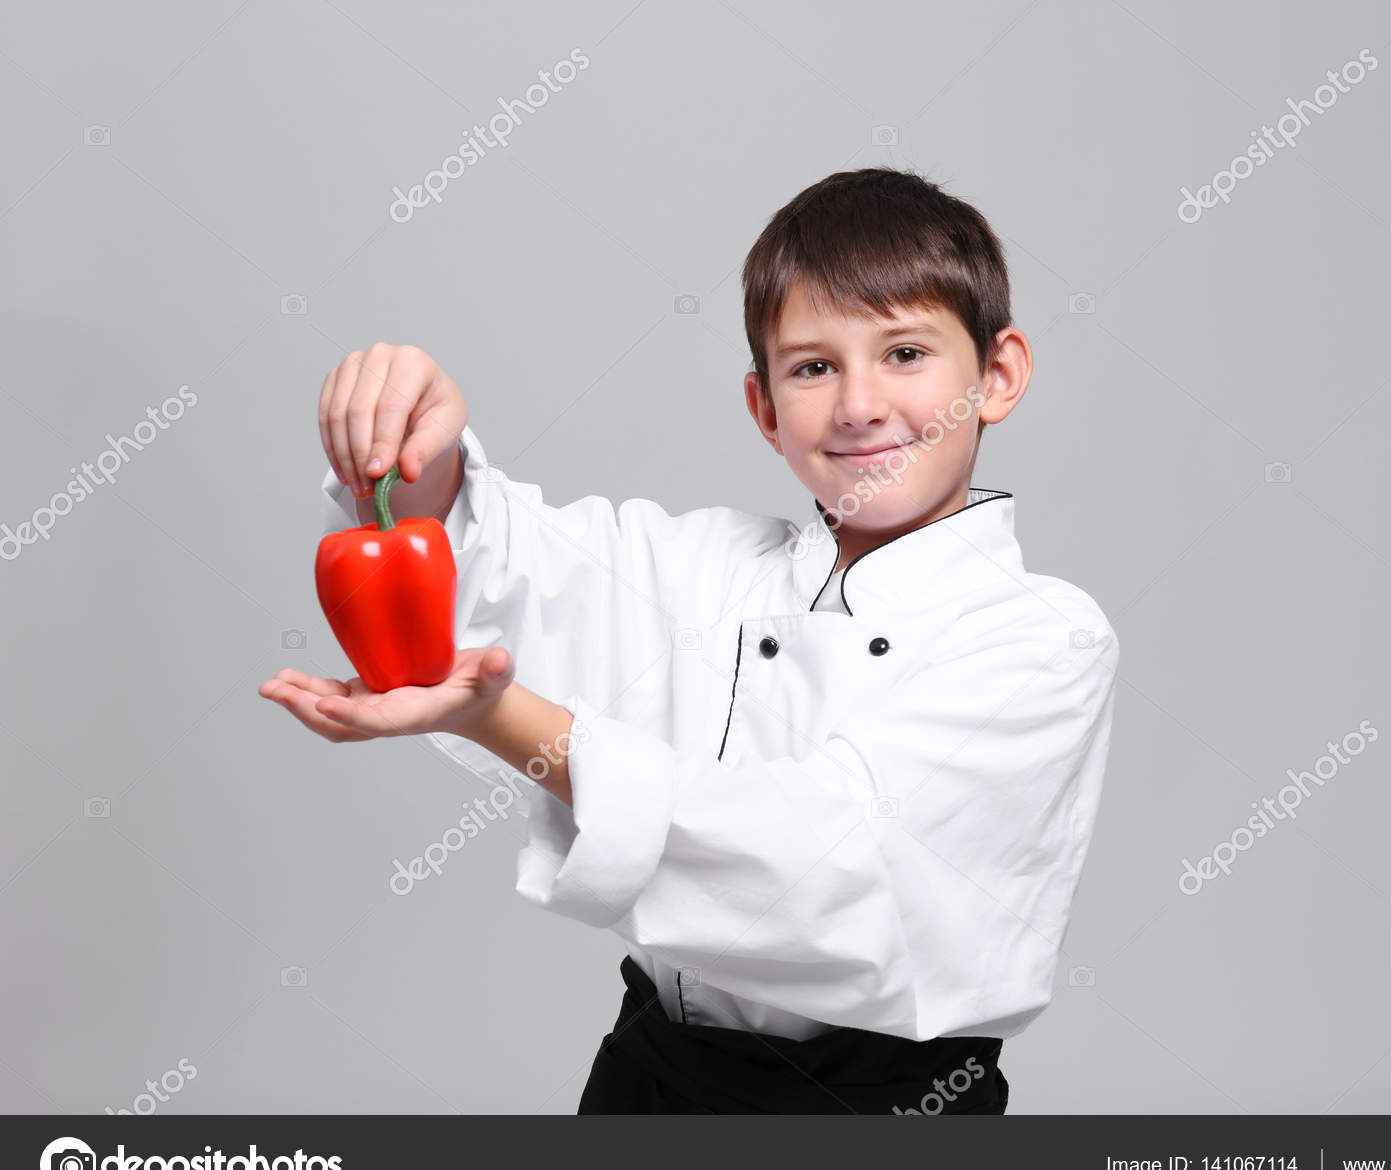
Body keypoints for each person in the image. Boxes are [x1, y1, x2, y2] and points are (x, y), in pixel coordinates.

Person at [260, 167, 1120, 1114]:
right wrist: (415, 449)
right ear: (763, 408)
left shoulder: (1045, 637)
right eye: (812, 366)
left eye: (906, 353)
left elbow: (831, 860)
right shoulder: (705, 563)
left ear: (996, 376)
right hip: (650, 1079)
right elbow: (514, 568)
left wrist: (503, 719)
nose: (860, 405)